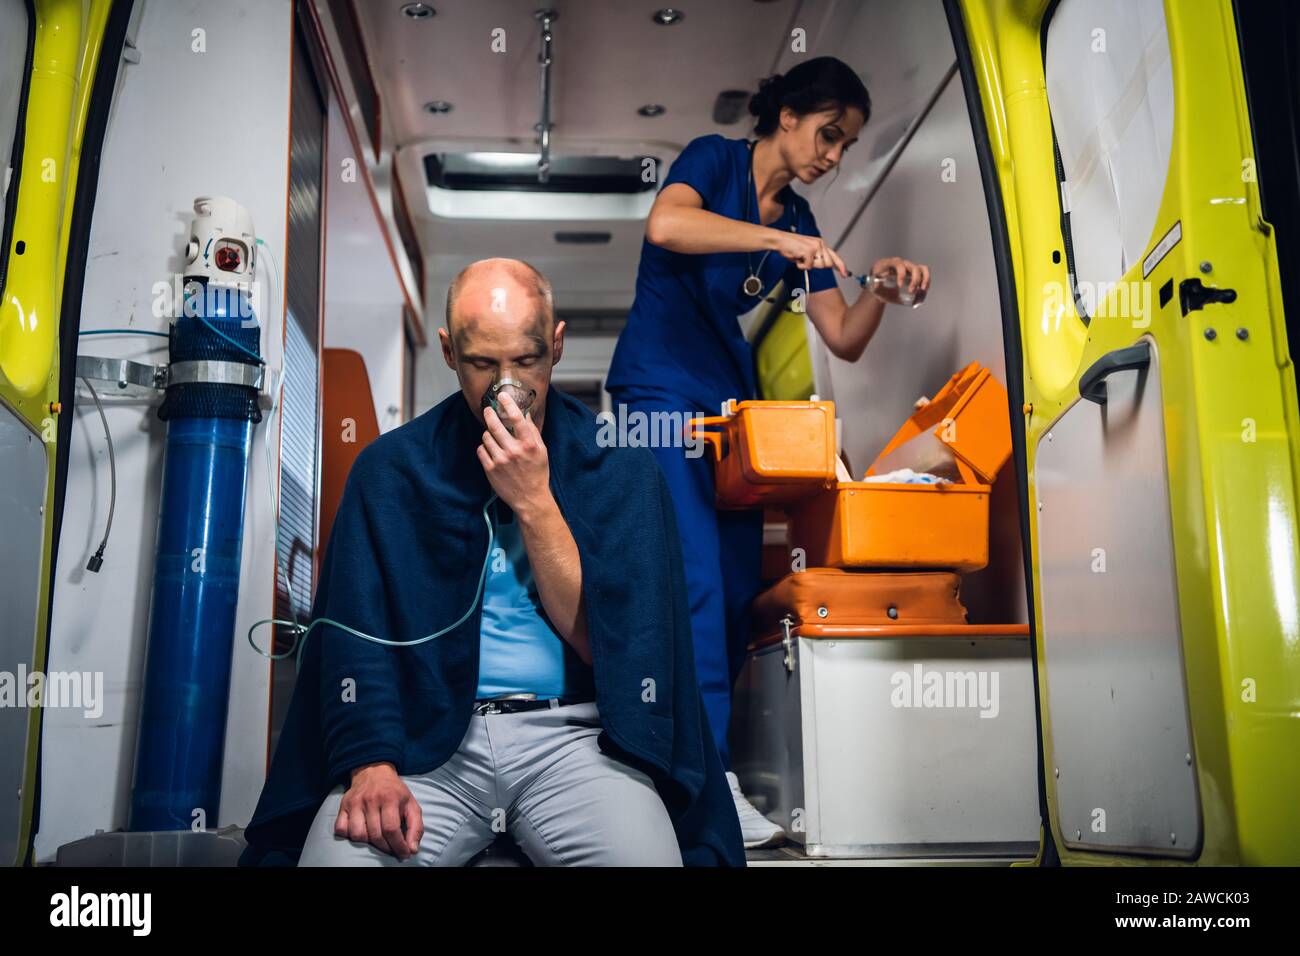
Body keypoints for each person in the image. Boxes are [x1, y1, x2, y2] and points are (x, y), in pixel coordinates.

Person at [239, 258, 744, 867]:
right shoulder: (391, 472)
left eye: (526, 361)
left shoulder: (621, 467)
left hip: (577, 739)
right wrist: (371, 765)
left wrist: (534, 500)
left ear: (556, 346)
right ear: (450, 352)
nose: (508, 387)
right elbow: (354, 637)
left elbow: (608, 642)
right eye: (482, 364)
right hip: (426, 746)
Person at [605, 56, 931, 848]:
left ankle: (708, 771)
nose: (833, 154)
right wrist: (776, 243)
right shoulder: (712, 160)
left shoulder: (806, 222)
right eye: (829, 134)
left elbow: (844, 338)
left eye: (846, 145)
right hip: (659, 398)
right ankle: (699, 783)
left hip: (730, 410)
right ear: (787, 115)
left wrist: (882, 291)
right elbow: (667, 226)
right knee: (694, 582)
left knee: (734, 583)